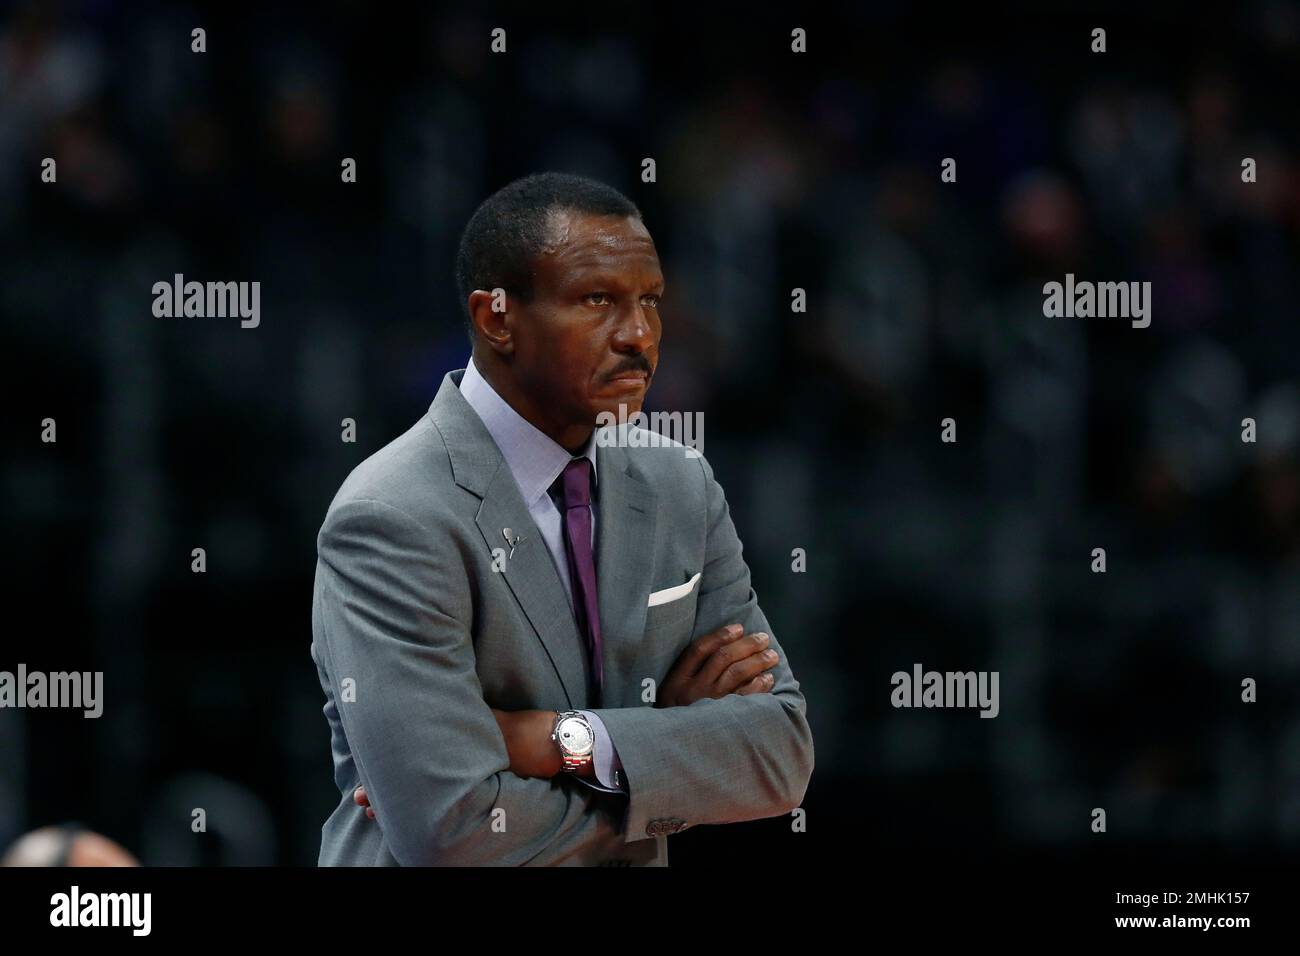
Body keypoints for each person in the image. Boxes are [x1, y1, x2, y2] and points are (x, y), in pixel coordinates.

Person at [311, 171, 813, 866]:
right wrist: (662, 751)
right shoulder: (391, 515)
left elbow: (780, 754)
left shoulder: (681, 483)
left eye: (650, 300)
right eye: (598, 299)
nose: (639, 334)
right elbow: (449, 830)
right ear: (497, 319)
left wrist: (553, 741)